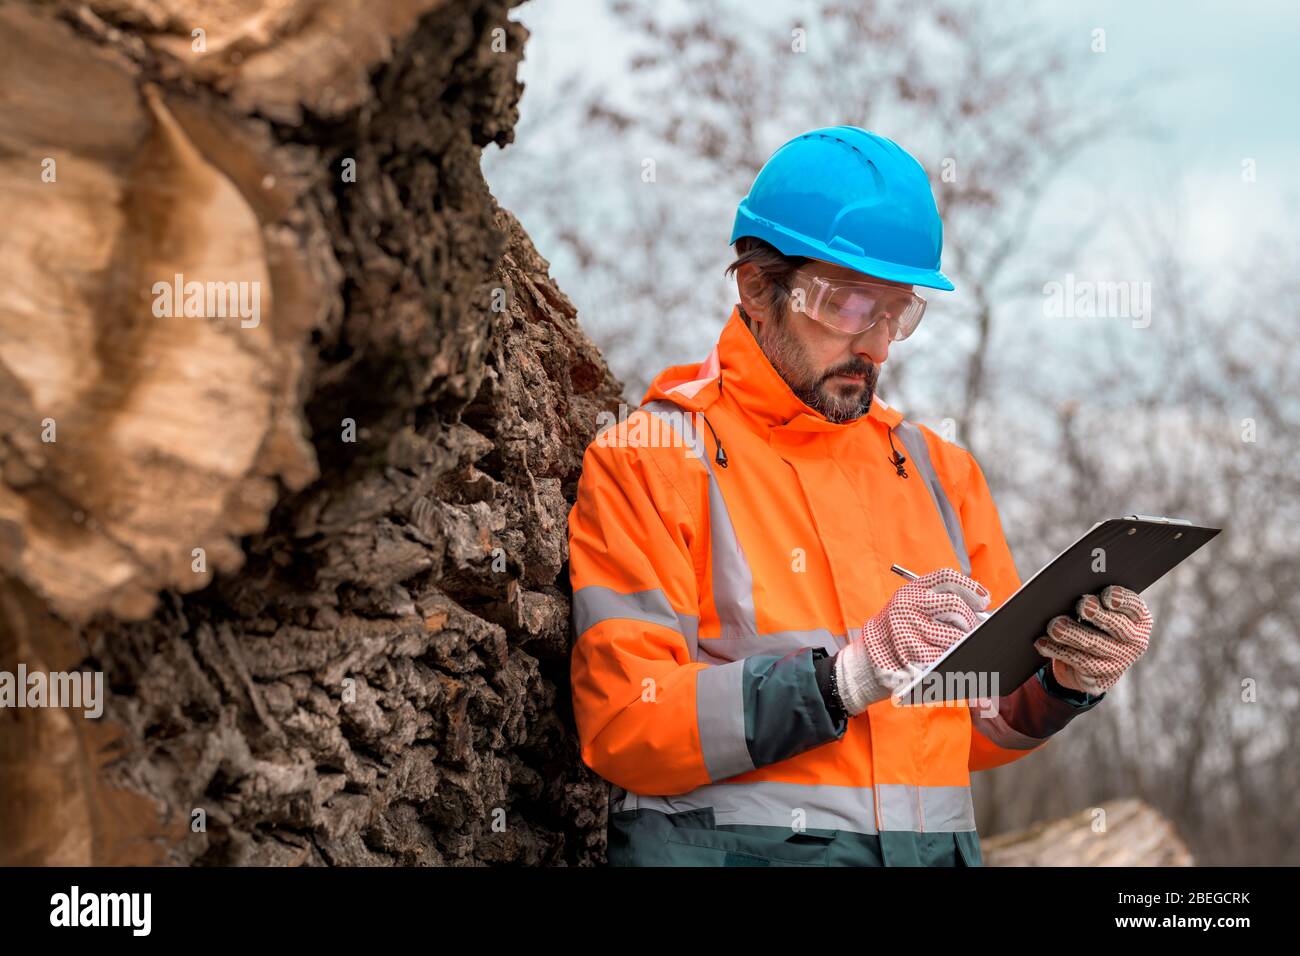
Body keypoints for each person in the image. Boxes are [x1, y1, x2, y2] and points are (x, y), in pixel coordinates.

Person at [567, 126, 1153, 866]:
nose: (876, 345)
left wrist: (1063, 682)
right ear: (757, 287)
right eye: (849, 305)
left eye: (897, 313)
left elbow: (976, 723)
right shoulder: (651, 458)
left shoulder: (941, 474)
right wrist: (841, 679)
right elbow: (624, 720)